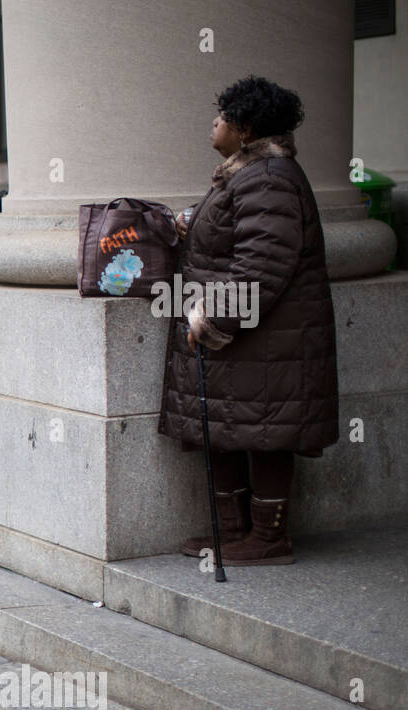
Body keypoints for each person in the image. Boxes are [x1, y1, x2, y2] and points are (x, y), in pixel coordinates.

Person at [160, 76, 337, 566]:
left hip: (266, 338)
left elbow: (263, 266)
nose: (213, 123)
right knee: (230, 428)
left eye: (223, 116)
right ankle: (232, 530)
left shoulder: (269, 177)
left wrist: (211, 319)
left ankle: (268, 539)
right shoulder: (247, 173)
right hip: (249, 340)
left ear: (245, 128)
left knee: (265, 433)